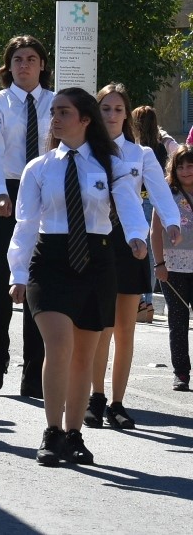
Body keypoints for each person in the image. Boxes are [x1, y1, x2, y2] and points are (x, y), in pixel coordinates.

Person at [8, 87, 148, 466]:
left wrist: (137, 237)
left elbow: (129, 204)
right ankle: (51, 431)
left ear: (85, 120)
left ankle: (74, 433)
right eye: (53, 111)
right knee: (58, 346)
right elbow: (26, 223)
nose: (55, 118)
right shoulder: (39, 168)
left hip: (97, 261)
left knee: (84, 356)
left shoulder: (110, 163)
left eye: (64, 112)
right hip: (50, 261)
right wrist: (17, 272)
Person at [85, 85, 180, 430]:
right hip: (94, 243)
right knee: (101, 327)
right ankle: (94, 397)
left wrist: (170, 222)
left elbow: (160, 192)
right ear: (96, 112)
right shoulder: (84, 151)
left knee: (125, 329)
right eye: (105, 108)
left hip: (131, 244)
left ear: (127, 115)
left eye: (117, 109)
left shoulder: (140, 155)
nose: (111, 115)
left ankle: (117, 403)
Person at [0, 35, 54, 398]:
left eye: (32, 58)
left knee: (38, 279)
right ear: (8, 66)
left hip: (46, 190)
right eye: (18, 59)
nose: (24, 64)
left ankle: (34, 370)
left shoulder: (57, 104)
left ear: (42, 65)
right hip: (6, 190)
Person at [151, 145, 193, 392]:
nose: (186, 170)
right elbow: (155, 231)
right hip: (173, 268)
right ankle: (181, 373)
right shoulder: (166, 194)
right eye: (181, 166)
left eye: (190, 165)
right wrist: (159, 264)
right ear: (173, 169)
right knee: (178, 324)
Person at [133, 105, 171, 315]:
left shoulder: (136, 148)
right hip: (156, 201)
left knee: (137, 247)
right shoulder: (161, 147)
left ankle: (141, 302)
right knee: (151, 253)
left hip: (139, 199)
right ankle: (147, 303)